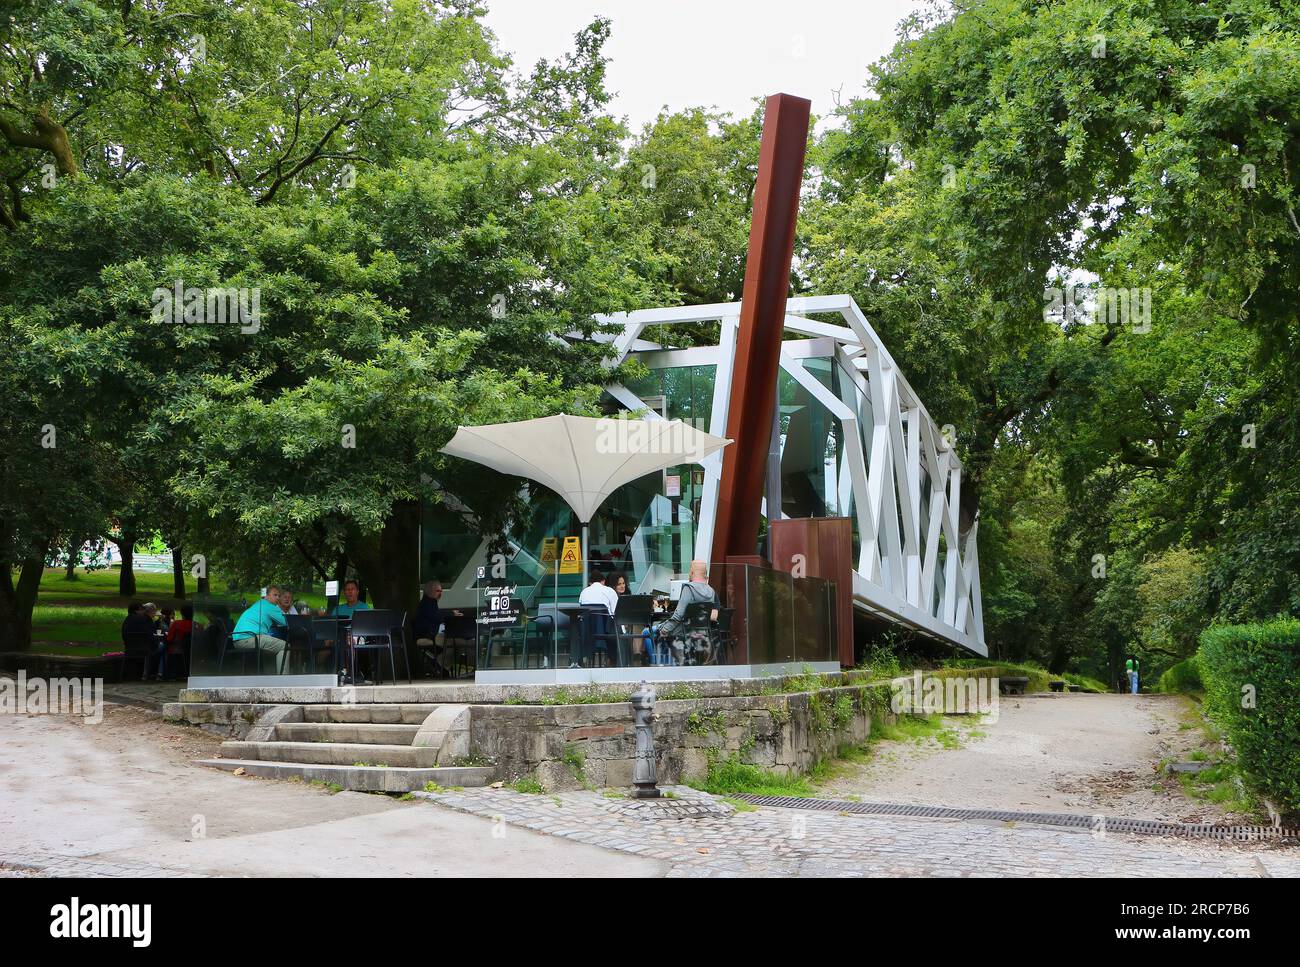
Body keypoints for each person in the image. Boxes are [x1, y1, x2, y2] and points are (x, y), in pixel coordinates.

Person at [655, 560, 718, 664]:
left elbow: (678, 616)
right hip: (703, 632)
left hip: (684, 631)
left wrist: (664, 629)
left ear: (692, 572)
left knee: (649, 632)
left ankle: (659, 666)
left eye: (690, 571)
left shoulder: (689, 588)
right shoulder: (711, 591)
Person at [231, 586, 289, 672]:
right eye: (275, 595)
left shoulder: (259, 604)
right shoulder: (269, 606)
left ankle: (269, 678)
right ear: (267, 596)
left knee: (272, 645)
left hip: (238, 640)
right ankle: (284, 680)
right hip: (250, 638)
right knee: (284, 646)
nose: (278, 598)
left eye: (279, 595)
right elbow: (287, 622)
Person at [414, 580, 463, 677]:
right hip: (429, 636)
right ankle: (440, 665)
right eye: (438, 591)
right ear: (429, 591)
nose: (441, 594)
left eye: (441, 591)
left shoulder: (430, 603)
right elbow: (437, 617)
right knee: (457, 642)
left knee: (456, 642)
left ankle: (440, 665)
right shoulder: (427, 604)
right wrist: (452, 614)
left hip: (431, 634)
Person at [162, 604, 194, 680]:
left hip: (177, 649)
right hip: (192, 651)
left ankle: (164, 673)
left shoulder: (176, 624)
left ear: (182, 613)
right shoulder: (197, 625)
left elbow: (169, 639)